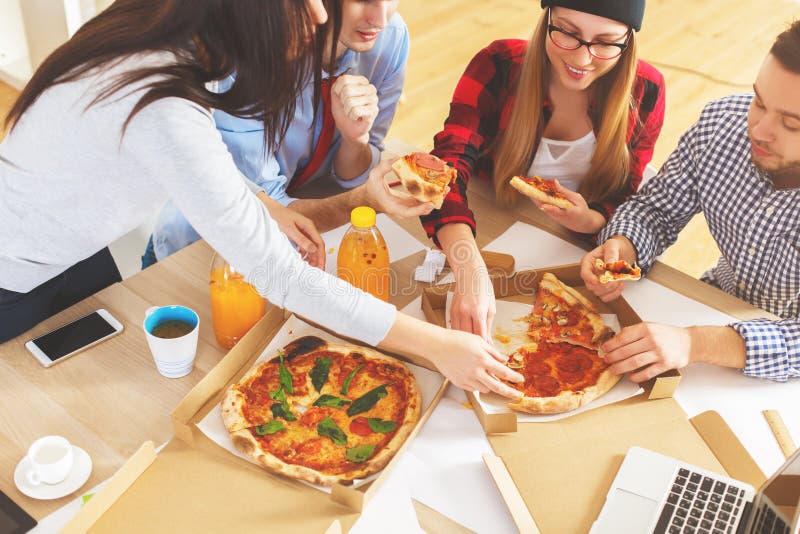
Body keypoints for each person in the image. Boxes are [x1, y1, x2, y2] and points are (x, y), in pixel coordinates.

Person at [0, 0, 523, 398]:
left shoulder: (160, 36)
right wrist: (436, 346)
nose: (319, 13)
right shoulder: (161, 100)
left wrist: (265, 205)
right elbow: (283, 277)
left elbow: (188, 158)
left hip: (75, 248)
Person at [419, 0, 665, 342]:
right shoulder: (500, 63)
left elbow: (625, 200)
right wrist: (467, 265)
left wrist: (591, 221)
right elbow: (446, 168)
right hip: (485, 229)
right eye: (567, 32)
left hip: (572, 252)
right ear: (547, 18)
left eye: (606, 43)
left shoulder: (647, 89)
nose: (581, 59)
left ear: (628, 42)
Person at [580, 20, 800, 382]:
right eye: (760, 102)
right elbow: (656, 209)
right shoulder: (722, 125)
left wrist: (696, 343)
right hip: (710, 306)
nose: (758, 131)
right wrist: (624, 247)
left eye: (790, 125)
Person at [145, 0, 425, 267]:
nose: (380, 19)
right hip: (200, 249)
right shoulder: (250, 56)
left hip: (298, 238)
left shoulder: (391, 38)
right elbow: (266, 211)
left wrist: (355, 141)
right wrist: (363, 202)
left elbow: (358, 174)